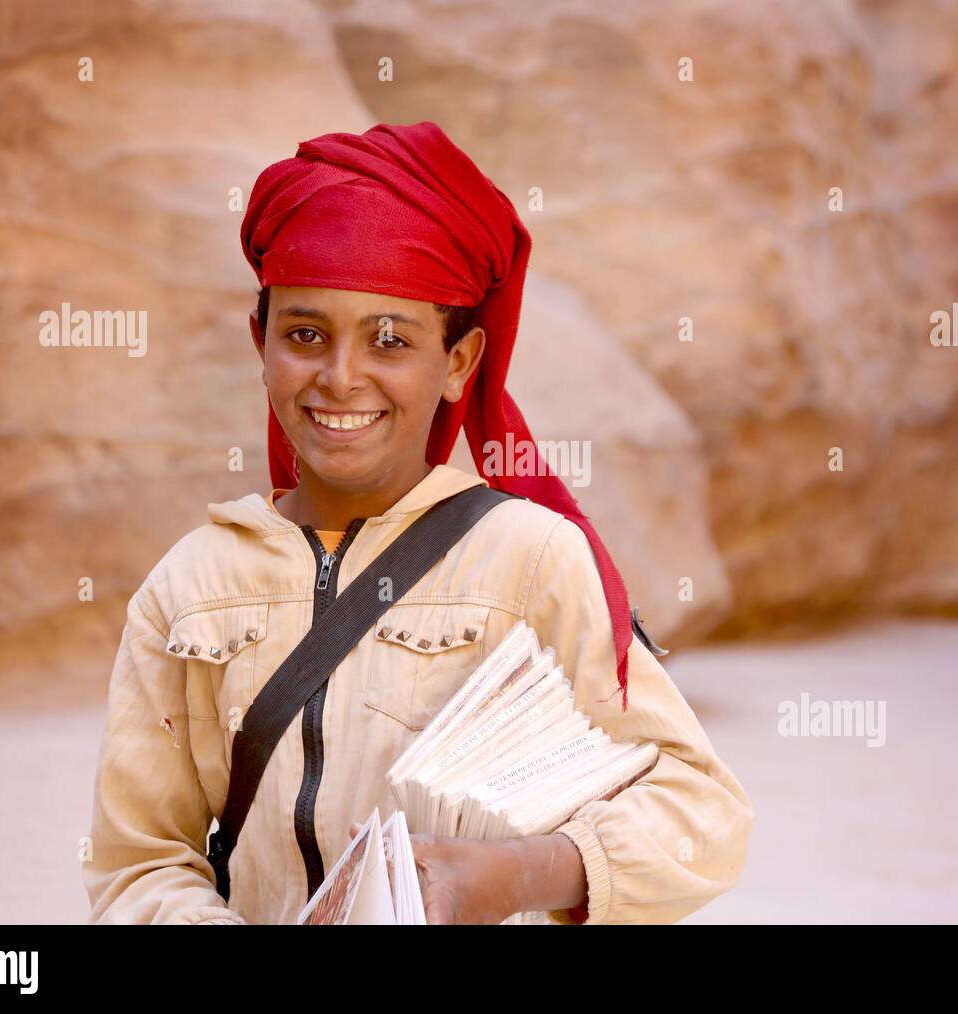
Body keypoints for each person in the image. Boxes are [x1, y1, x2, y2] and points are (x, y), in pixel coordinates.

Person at [83, 121, 752, 924]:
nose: (341, 377)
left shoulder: (530, 559)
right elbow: (139, 862)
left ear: (458, 363)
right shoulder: (188, 588)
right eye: (305, 335)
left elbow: (699, 814)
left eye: (391, 340)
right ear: (260, 342)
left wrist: (526, 874)